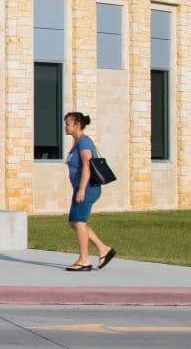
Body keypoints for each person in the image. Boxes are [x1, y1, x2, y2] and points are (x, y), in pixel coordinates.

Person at [62, 111, 116, 271]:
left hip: (87, 188)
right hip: (82, 188)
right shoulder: (77, 142)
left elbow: (87, 165)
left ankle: (84, 260)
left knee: (79, 223)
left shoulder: (84, 143)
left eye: (68, 123)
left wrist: (81, 189)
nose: (65, 126)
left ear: (77, 125)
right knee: (74, 222)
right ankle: (104, 249)